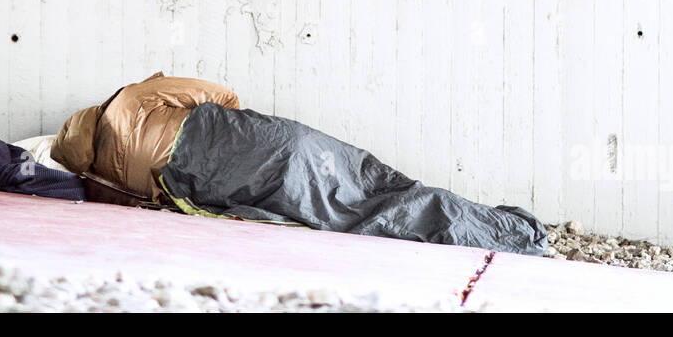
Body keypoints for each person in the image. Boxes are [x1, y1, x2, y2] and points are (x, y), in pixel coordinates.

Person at [50, 71, 549, 256]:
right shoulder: (132, 99)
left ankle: (496, 234)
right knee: (380, 185)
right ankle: (512, 231)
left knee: (360, 215)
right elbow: (221, 94)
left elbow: (169, 204)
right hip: (268, 143)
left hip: (235, 186)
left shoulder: (111, 178)